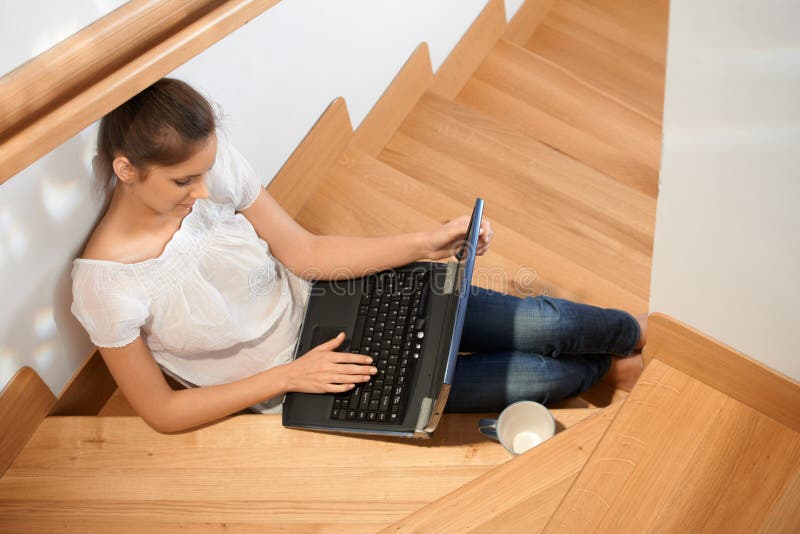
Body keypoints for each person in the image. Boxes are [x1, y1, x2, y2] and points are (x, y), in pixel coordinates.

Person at [71, 78, 645, 434]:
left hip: (332, 302)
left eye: (204, 172)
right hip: (304, 378)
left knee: (548, 320)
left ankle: (640, 337)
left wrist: (425, 242)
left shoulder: (208, 168)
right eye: (182, 182)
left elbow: (306, 252)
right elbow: (162, 414)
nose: (202, 192)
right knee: (537, 377)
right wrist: (292, 375)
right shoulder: (107, 286)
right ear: (127, 170)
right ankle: (609, 367)